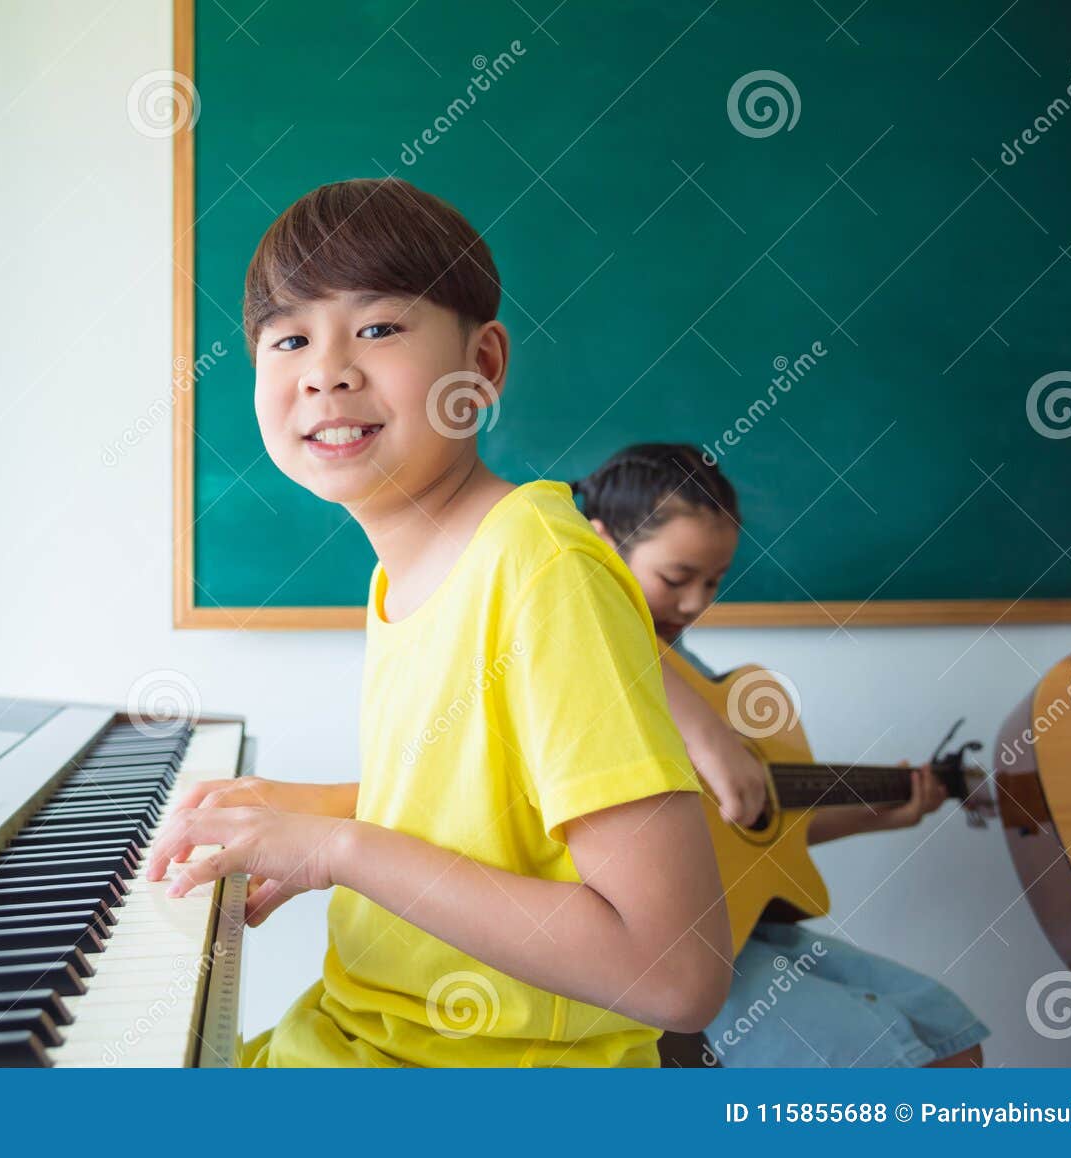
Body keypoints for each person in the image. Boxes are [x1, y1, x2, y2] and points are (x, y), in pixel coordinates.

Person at [145, 179, 732, 1066]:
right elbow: (492, 809)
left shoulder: (543, 569)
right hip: (357, 1042)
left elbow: (677, 972)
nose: (327, 370)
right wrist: (313, 810)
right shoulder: (404, 571)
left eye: (379, 328)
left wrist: (339, 847)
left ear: (483, 365)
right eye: (290, 338)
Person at [574, 443, 989, 1067]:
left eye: (713, 581)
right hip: (675, 947)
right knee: (901, 1065)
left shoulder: (705, 680)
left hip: (749, 931)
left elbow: (749, 841)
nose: (695, 603)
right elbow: (586, 616)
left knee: (953, 1038)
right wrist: (709, 739)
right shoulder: (579, 652)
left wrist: (881, 813)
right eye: (676, 578)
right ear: (600, 545)